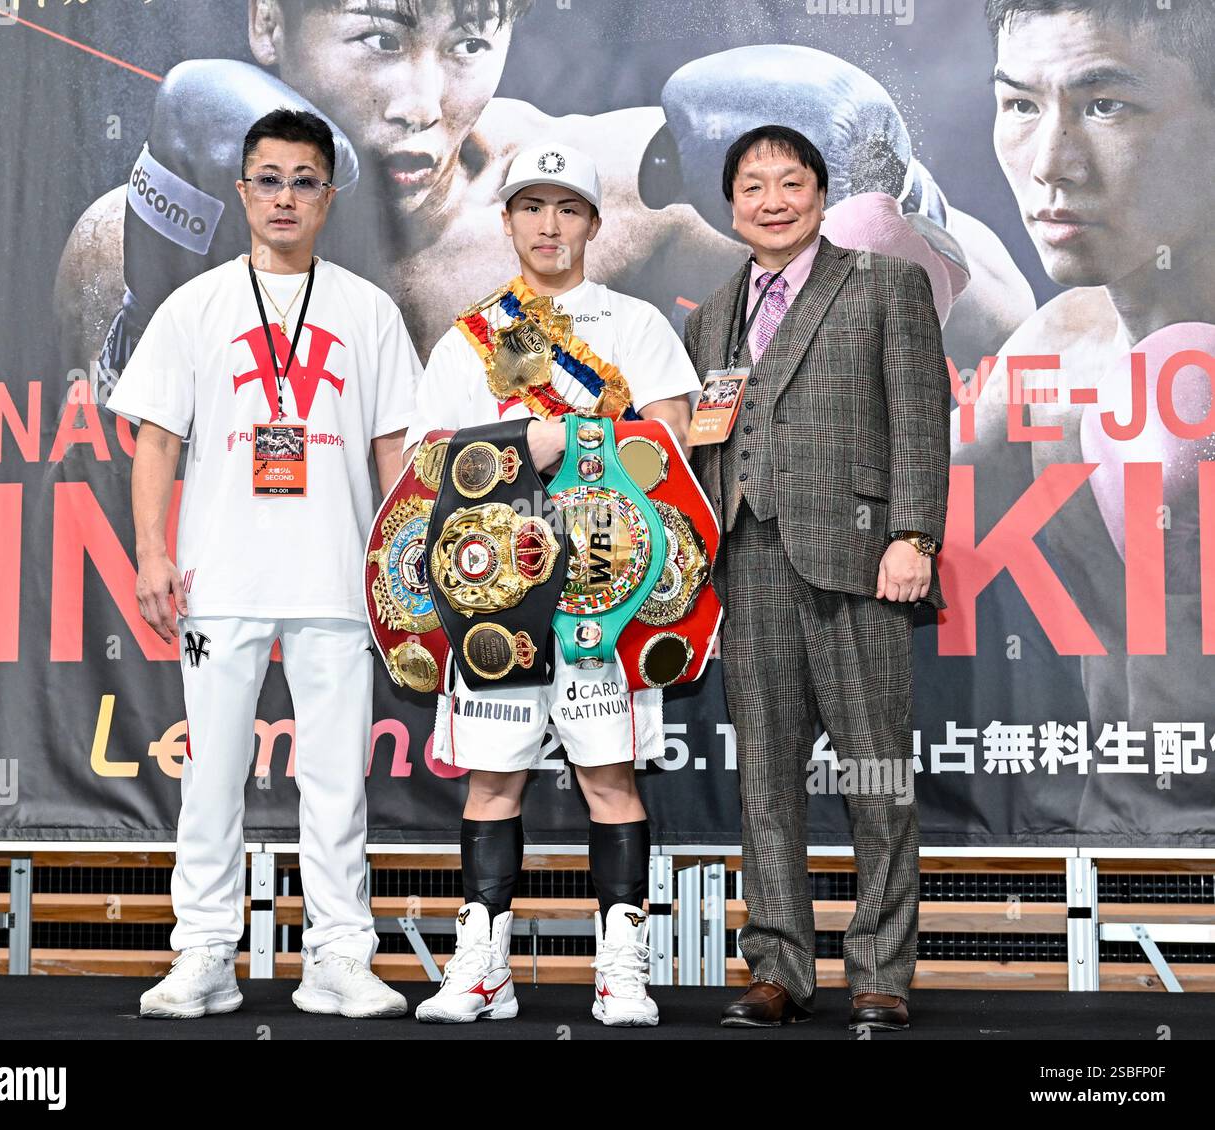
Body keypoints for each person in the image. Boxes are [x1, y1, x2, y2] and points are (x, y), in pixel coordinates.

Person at [53, 3, 1030, 377]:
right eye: (379, 40)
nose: (423, 102)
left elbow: (994, 313)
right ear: (270, 26)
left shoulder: (602, 187)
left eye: (470, 42)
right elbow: (102, 510)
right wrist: (159, 279)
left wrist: (886, 182)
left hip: (557, 649)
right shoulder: (131, 237)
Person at [105, 109, 420, 1019]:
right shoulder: (195, 306)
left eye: (304, 181)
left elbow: (395, 455)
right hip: (221, 577)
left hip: (335, 579)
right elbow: (157, 441)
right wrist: (154, 552)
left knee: (334, 780)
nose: (286, 197)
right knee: (210, 777)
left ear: (330, 195)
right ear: (243, 192)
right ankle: (202, 952)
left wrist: (397, 570)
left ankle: (339, 957)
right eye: (269, 179)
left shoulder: (366, 309)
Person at [400, 142, 700, 1027]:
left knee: (611, 778)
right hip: (495, 597)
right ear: (508, 221)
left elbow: (672, 454)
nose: (548, 225)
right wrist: (508, 448)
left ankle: (621, 966)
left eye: (567, 208)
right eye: (531, 206)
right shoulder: (469, 337)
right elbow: (428, 466)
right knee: (491, 782)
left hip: (603, 596)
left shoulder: (636, 324)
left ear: (593, 224)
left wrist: (570, 444)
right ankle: (483, 966)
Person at [683, 125, 950, 1030]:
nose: (771, 199)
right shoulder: (710, 313)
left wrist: (915, 534)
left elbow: (920, 415)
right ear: (731, 207)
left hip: (862, 559)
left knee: (875, 772)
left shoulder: (884, 283)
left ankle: (881, 972)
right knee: (764, 776)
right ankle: (779, 966)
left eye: (789, 182)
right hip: (745, 561)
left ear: (821, 194)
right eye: (752, 185)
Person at [959, 0, 1215, 840]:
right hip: (1110, 863)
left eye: (1107, 105)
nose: (1051, 166)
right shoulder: (1054, 345)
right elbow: (913, 556)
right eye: (1021, 105)